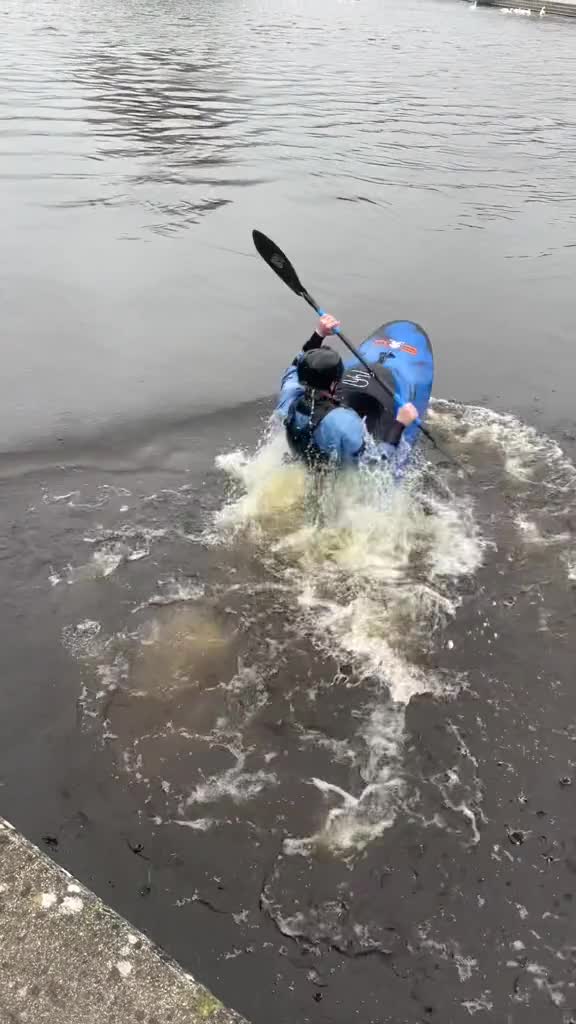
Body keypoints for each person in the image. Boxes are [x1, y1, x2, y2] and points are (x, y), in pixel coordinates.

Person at [275, 313, 419, 468]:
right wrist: (400, 424)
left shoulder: (288, 399)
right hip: (336, 483)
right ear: (333, 385)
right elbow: (374, 465)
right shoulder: (344, 422)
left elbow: (296, 366)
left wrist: (319, 334)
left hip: (301, 464)